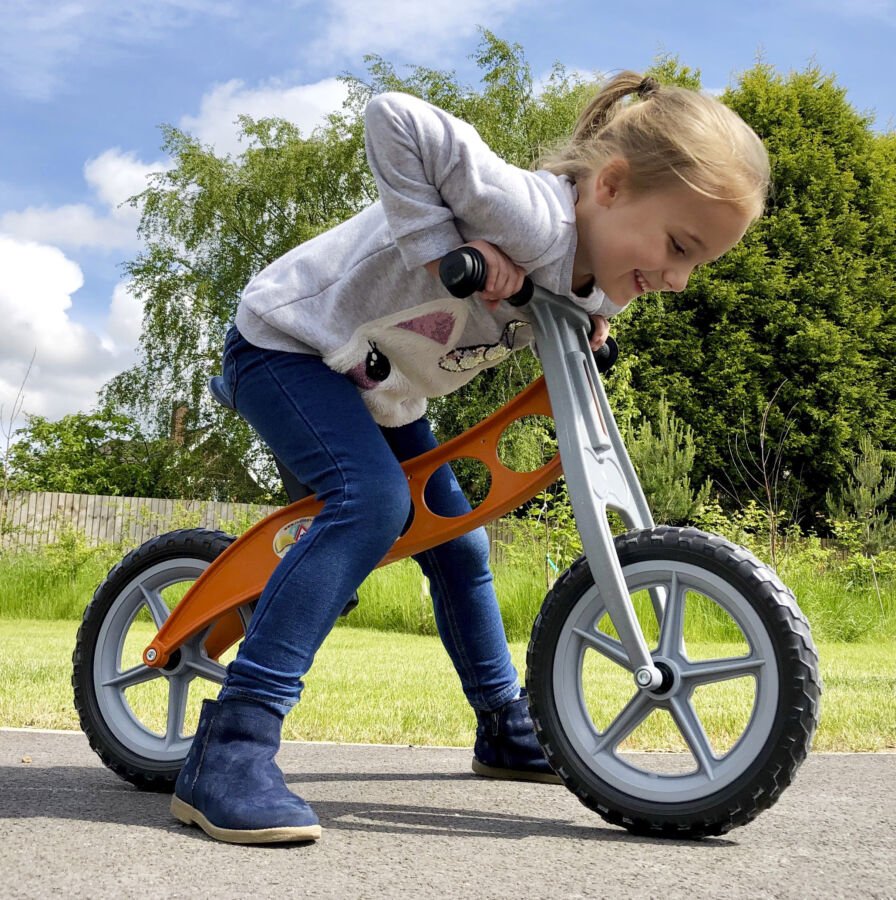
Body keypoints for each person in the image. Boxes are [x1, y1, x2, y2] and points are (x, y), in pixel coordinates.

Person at [170, 71, 770, 844]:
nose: (680, 280)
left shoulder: (608, 278)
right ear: (611, 186)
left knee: (458, 538)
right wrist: (441, 248)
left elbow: (575, 298)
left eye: (699, 264)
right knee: (374, 504)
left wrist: (589, 322)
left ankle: (505, 726)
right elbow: (395, 117)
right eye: (679, 247)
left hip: (380, 392)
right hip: (291, 345)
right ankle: (233, 745)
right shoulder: (525, 210)